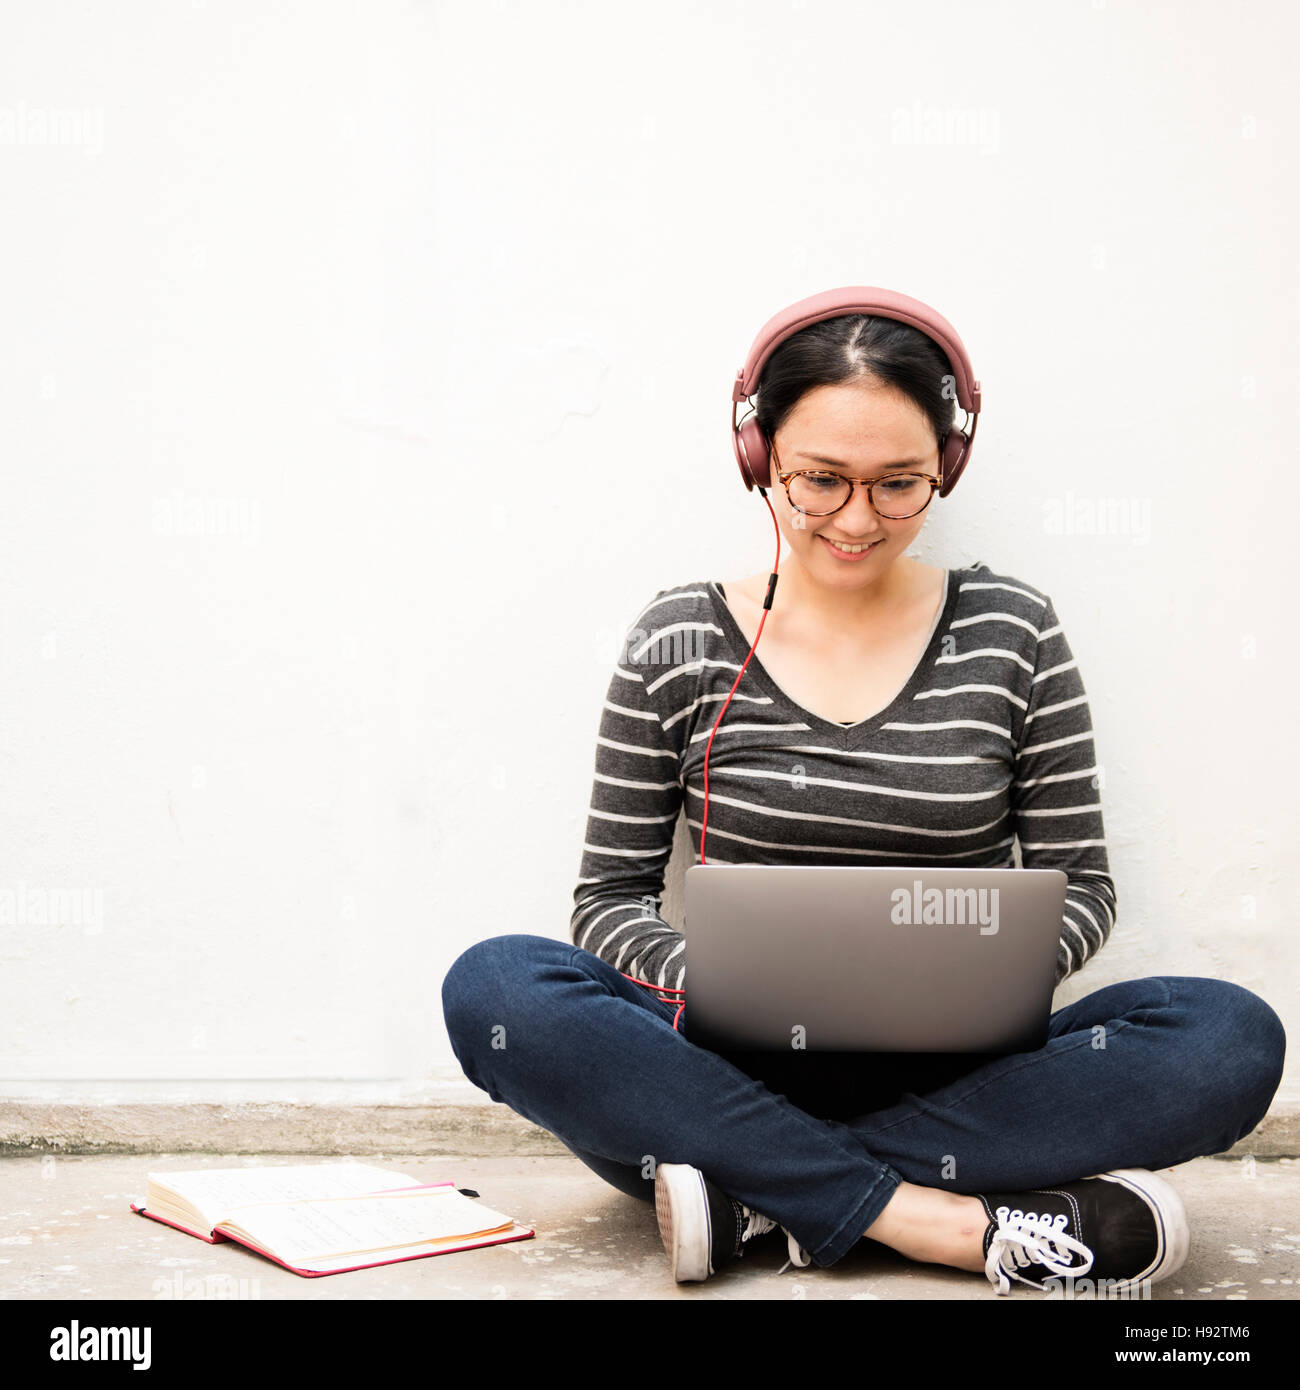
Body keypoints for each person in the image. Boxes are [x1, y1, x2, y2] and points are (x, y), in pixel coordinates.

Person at [441, 298, 1286, 1296]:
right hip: (720, 1070)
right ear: (760, 458)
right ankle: (934, 1219)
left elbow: (1082, 884)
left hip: (958, 1074)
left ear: (948, 468)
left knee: (1229, 1036)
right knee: (496, 987)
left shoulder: (1014, 631)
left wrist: (984, 980)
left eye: (898, 486)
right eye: (820, 482)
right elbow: (607, 898)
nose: (855, 520)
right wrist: (714, 983)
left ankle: (756, 1196)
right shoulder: (678, 635)